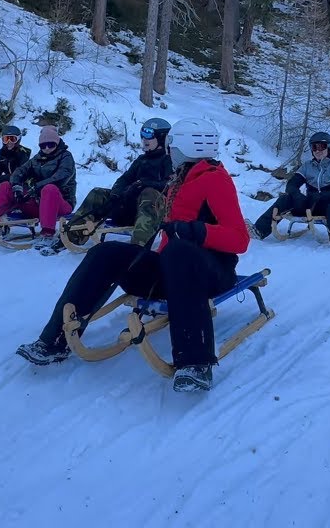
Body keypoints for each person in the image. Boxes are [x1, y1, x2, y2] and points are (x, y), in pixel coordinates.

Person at [15, 117, 250, 393]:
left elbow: (239, 239)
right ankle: (54, 340)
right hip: (172, 270)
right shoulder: (180, 179)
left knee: (180, 249)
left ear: (185, 147)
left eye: (172, 146)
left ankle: (195, 364)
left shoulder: (215, 179)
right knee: (107, 253)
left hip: (211, 273)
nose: (169, 151)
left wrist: (194, 231)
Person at [63, 117, 173, 249]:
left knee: (149, 193)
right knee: (98, 193)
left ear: (162, 138)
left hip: (152, 213)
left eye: (149, 135)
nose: (144, 139)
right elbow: (124, 179)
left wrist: (145, 184)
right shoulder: (142, 160)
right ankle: (73, 235)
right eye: (142, 135)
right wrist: (116, 193)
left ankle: (137, 248)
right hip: (129, 209)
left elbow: (170, 185)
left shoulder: (169, 161)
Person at [247, 130, 330, 248]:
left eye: (321, 147)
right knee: (285, 199)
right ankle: (259, 230)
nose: (317, 151)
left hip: (329, 203)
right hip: (311, 204)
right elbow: (292, 184)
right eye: (314, 147)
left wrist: (324, 195)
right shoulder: (308, 166)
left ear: (329, 147)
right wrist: (296, 195)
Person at [0, 125, 76, 252]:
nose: (47, 148)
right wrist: (17, 188)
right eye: (43, 145)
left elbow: (61, 177)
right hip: (38, 203)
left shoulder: (66, 157)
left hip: (61, 204)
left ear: (57, 143)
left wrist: (37, 187)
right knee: (5, 186)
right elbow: (19, 172)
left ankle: (48, 233)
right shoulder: (37, 159)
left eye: (51, 145)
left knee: (49, 188)